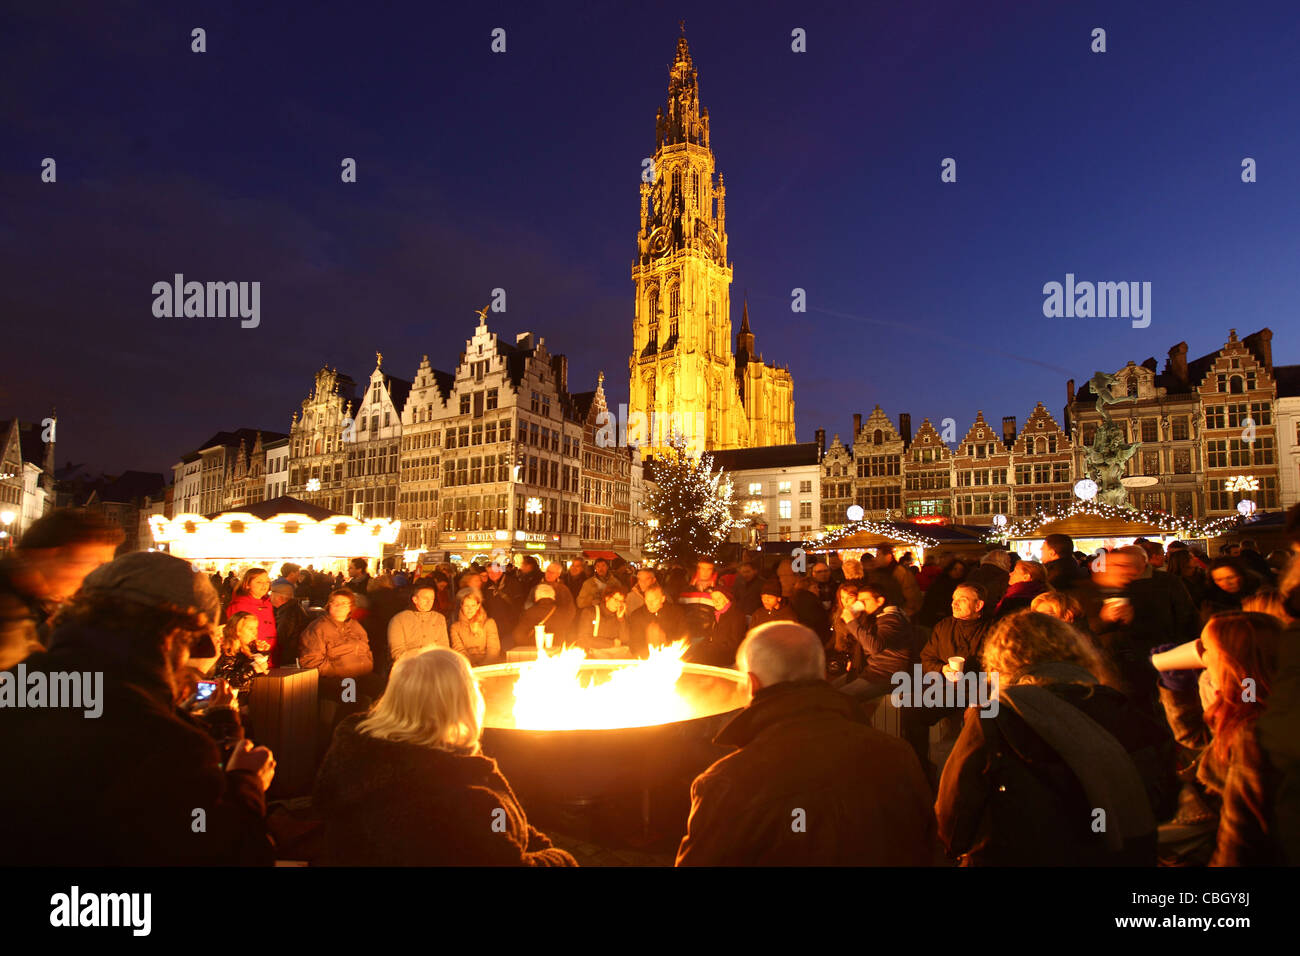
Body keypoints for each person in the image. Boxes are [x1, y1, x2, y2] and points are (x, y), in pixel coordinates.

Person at [0, 551, 276, 865]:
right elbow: (231, 852)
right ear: (173, 637)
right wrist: (246, 784)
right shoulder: (171, 746)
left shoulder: (16, 686)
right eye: (193, 645)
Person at [676, 622, 935, 865]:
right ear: (822, 675)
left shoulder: (727, 782)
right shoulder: (897, 753)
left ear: (752, 684)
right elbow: (924, 841)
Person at [936, 611, 1178, 866]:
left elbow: (955, 812)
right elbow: (1162, 799)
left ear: (1001, 660)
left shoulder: (996, 717)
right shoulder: (1121, 709)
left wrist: (956, 847)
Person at [312, 648, 576, 866]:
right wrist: (559, 858)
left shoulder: (359, 756)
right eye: (473, 687)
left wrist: (533, 841)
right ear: (461, 701)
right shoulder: (456, 797)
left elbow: (504, 827)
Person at [1196, 612, 1285, 865]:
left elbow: (1241, 837)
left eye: (1208, 648)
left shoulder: (1254, 735)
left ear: (1233, 660)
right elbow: (1200, 740)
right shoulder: (1258, 707)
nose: (1202, 657)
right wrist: (1175, 693)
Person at [0, 508, 122, 670]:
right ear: (48, 555)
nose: (98, 576)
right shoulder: (8, 610)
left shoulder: (30, 604)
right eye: (94, 563)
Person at [903, 583, 992, 778]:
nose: (955, 604)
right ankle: (920, 768)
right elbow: (926, 658)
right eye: (953, 599)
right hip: (946, 687)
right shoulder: (944, 626)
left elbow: (997, 670)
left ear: (978, 606)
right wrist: (942, 669)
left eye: (962, 599)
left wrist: (977, 700)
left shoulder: (993, 630)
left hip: (979, 691)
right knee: (910, 710)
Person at [833, 583, 914, 705]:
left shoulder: (891, 618)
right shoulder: (878, 616)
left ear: (880, 601)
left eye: (865, 600)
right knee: (829, 689)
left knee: (838, 699)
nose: (861, 604)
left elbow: (874, 647)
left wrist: (851, 621)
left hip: (886, 675)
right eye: (859, 601)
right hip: (872, 671)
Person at [299, 589, 375, 687]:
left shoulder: (356, 626)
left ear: (350, 607)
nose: (339, 606)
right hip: (337, 681)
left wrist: (367, 664)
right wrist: (339, 671)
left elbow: (366, 650)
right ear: (329, 605)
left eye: (344, 603)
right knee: (355, 699)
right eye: (335, 602)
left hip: (364, 677)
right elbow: (311, 661)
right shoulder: (318, 628)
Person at [388, 582, 450, 664]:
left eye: (432, 599)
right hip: (410, 666)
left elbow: (444, 646)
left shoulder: (439, 618)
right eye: (425, 598)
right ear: (415, 599)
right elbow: (397, 652)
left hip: (435, 665)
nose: (429, 602)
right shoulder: (398, 620)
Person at [226, 567, 278, 665]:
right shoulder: (239, 605)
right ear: (247, 585)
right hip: (250, 659)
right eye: (259, 582)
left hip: (269, 656)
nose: (264, 586)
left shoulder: (267, 603)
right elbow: (234, 635)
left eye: (267, 582)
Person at [212, 610, 271, 693]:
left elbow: (259, 671)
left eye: (256, 628)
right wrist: (253, 669)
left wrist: (262, 653)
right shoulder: (227, 650)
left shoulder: (249, 647)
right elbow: (226, 681)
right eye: (250, 629)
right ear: (237, 630)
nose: (255, 632)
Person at [627, 583, 686, 655]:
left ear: (663, 599)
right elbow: (635, 643)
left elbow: (683, 637)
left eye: (654, 600)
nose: (650, 604)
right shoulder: (637, 615)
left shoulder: (676, 613)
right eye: (648, 600)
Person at [575, 586, 632, 657]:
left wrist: (621, 619)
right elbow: (584, 639)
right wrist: (611, 643)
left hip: (616, 656)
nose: (618, 604)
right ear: (607, 598)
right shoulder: (590, 612)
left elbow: (625, 639)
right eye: (616, 600)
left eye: (621, 601)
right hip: (594, 657)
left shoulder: (620, 616)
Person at [1200, 557, 1260, 623]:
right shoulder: (1211, 603)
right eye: (1219, 580)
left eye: (1231, 577)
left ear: (1242, 575)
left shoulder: (1260, 594)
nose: (1226, 583)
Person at [514, 582, 572, 648]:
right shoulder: (562, 612)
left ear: (536, 597)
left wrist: (531, 643)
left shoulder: (530, 612)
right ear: (553, 596)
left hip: (535, 650)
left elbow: (518, 635)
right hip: (558, 649)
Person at [915, 557, 967, 629]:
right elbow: (931, 600)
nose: (958, 572)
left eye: (961, 570)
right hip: (937, 617)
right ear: (949, 570)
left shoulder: (964, 586)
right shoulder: (939, 583)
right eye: (955, 569)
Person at [450, 592, 501, 666]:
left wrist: (485, 665)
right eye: (466, 606)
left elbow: (493, 648)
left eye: (473, 605)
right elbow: (459, 650)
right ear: (462, 606)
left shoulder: (489, 623)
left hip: (488, 666)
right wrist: (471, 666)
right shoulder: (455, 627)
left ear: (478, 606)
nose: (470, 609)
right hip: (467, 667)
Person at [268, 580, 310, 666]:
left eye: (271, 595)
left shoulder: (288, 614)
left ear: (279, 598)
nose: (269, 598)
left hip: (289, 660)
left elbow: (281, 638)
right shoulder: (291, 609)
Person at [964, 550, 1011, 616]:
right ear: (1003, 561)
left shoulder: (974, 573)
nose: (1010, 564)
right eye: (1008, 561)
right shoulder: (1004, 576)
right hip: (994, 612)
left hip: (974, 610)